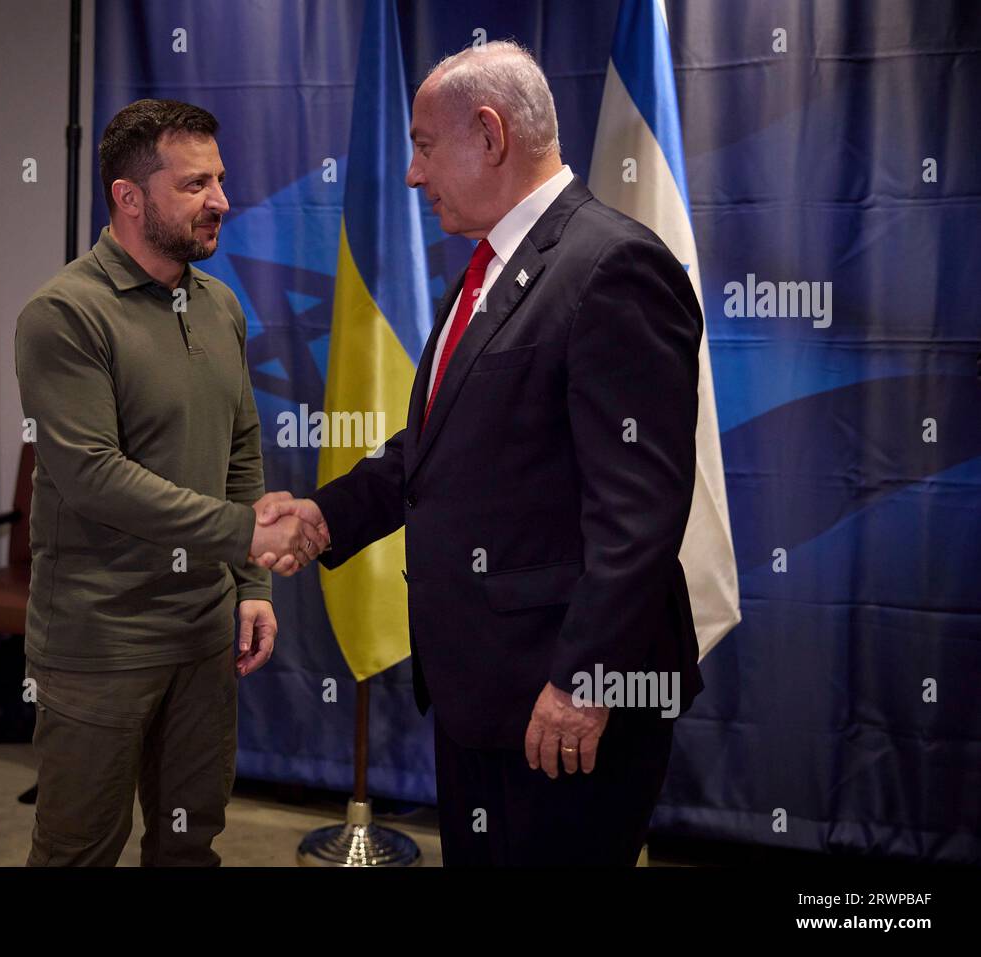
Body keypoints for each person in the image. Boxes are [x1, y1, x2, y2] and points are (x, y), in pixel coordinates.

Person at [255, 41, 704, 865]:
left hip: (561, 702)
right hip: (485, 693)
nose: (414, 175)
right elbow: (433, 453)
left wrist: (585, 681)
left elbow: (640, 515)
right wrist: (324, 515)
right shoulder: (492, 269)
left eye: (425, 146)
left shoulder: (611, 266)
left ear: (490, 135)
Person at [15, 99, 326, 866]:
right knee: (78, 851)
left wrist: (252, 583)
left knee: (192, 845)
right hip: (99, 642)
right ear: (129, 197)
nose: (222, 200)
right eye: (196, 185)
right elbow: (94, 477)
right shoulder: (62, 315)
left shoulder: (219, 304)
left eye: (219, 179)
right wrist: (245, 534)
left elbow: (241, 451)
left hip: (202, 635)